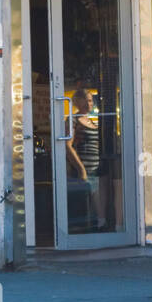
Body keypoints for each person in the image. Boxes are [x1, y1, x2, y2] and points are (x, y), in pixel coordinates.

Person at [65, 89, 103, 229]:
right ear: (78, 101)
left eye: (91, 100)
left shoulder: (92, 120)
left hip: (97, 168)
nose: (89, 103)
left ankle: (98, 224)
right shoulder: (73, 120)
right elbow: (67, 145)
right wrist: (81, 169)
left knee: (97, 196)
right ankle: (100, 223)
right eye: (86, 100)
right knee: (93, 198)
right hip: (85, 169)